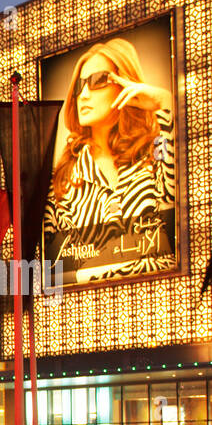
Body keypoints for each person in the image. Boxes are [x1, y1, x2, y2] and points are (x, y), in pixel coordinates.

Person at [44, 37, 177, 283]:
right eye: (79, 86)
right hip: (87, 306)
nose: (83, 94)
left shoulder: (152, 154)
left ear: (124, 84)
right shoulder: (61, 181)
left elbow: (174, 201)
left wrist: (163, 101)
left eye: (97, 81)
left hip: (163, 294)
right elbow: (52, 270)